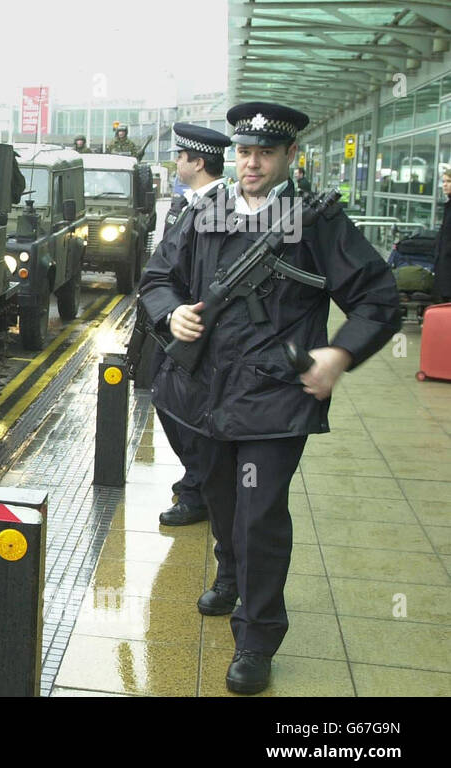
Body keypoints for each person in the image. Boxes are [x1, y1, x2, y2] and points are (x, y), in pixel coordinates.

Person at [139, 102, 400, 694]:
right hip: (201, 392)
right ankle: (229, 571)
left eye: (265, 154)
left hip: (273, 399)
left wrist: (339, 354)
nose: (251, 163)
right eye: (244, 152)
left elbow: (378, 299)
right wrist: (171, 310)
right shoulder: (207, 212)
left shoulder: (314, 221)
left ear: (289, 157)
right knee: (222, 500)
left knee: (259, 516)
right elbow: (157, 278)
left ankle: (256, 637)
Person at [149, 122, 232, 527]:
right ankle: (196, 485)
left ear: (197, 162)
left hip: (197, 333)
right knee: (169, 403)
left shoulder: (218, 210)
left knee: (186, 413)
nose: (177, 162)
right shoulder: (193, 204)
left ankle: (198, 491)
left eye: (181, 156)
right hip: (175, 325)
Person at [435, 168, 451, 302]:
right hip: (444, 263)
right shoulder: (448, 206)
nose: (444, 185)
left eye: (449, 181)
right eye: (443, 181)